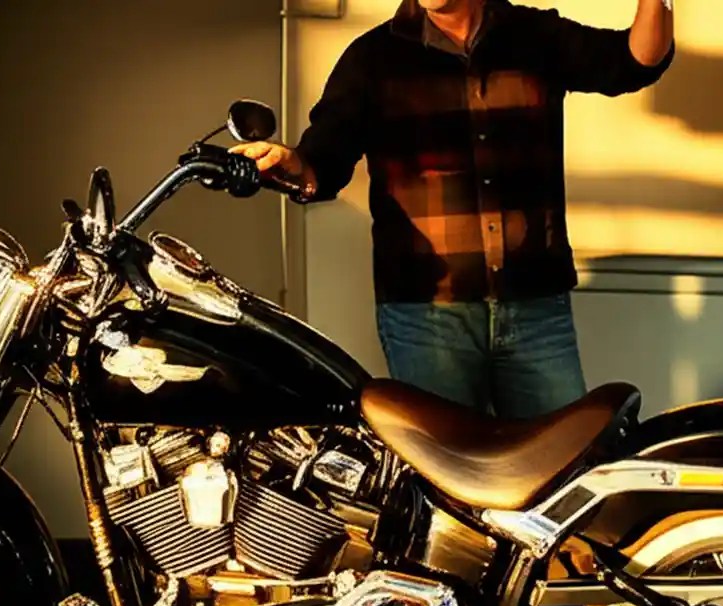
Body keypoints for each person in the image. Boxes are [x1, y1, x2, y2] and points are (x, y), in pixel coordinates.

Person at [233, 0, 674, 419]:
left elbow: (635, 61)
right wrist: (293, 165)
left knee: (566, 462)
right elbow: (323, 162)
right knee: (444, 471)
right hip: (428, 318)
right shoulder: (372, 58)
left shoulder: (535, 36)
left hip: (536, 308)